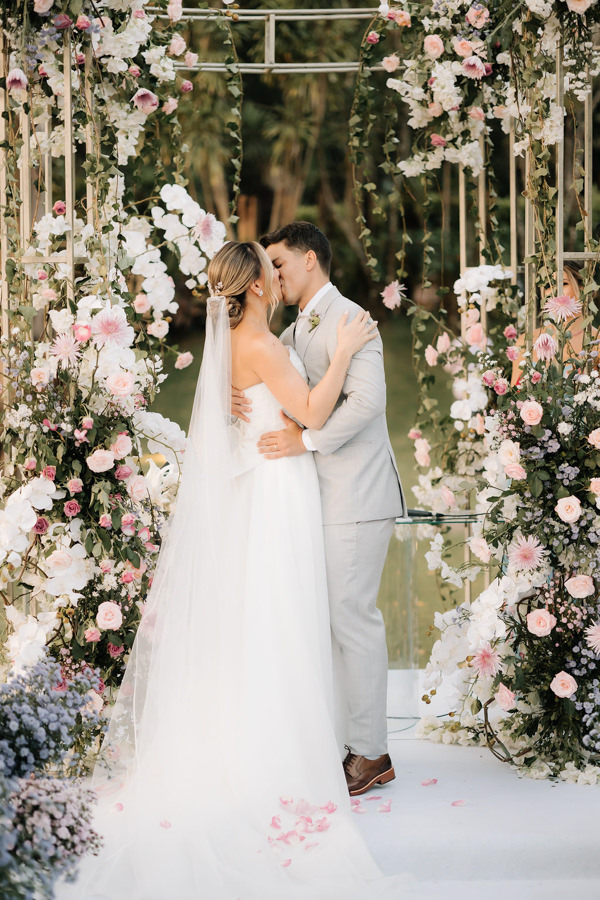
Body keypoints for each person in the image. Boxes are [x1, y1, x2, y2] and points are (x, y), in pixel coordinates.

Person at [58, 242, 408, 900]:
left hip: (265, 489)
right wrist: (343, 353)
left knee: (265, 619)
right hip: (281, 492)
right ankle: (288, 746)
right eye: (268, 271)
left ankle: (295, 735)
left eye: (282, 265)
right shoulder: (267, 347)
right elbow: (310, 412)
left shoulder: (239, 348)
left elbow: (243, 401)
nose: (278, 279)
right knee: (284, 618)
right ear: (252, 288)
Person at [234, 223, 406, 796]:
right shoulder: (292, 327)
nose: (273, 275)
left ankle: (371, 752)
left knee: (352, 620)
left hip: (356, 493)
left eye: (279, 264)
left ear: (310, 260)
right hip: (321, 498)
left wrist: (304, 443)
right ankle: (341, 737)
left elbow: (368, 404)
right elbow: (273, 375)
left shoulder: (352, 320)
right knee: (330, 620)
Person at [511, 262, 591, 385]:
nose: (555, 291)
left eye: (564, 283)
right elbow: (514, 398)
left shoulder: (596, 343)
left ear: (582, 287)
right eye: (548, 286)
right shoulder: (527, 341)